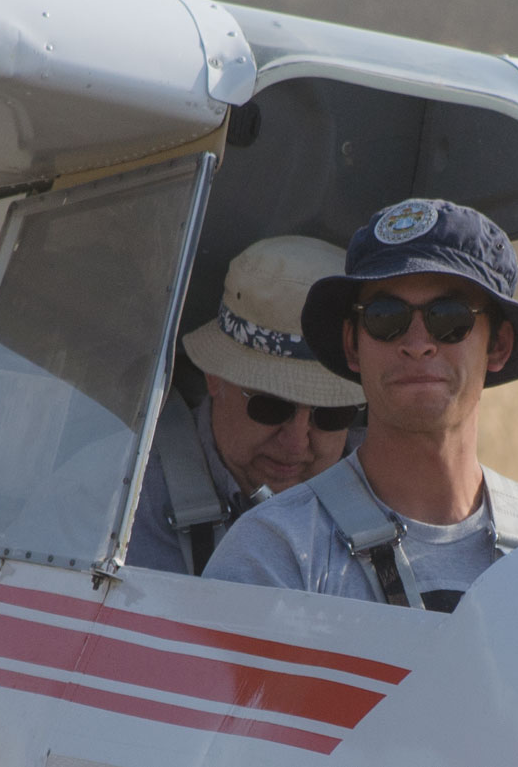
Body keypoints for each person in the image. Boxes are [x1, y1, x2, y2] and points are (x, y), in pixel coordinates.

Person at [204, 198, 518, 611]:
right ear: (353, 345)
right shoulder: (273, 553)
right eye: (386, 317)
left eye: (449, 318)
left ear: (499, 344)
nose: (418, 344)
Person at [126, 235, 366, 575]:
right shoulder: (116, 506)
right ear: (214, 378)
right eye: (271, 407)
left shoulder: (396, 492)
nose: (297, 443)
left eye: (331, 414)